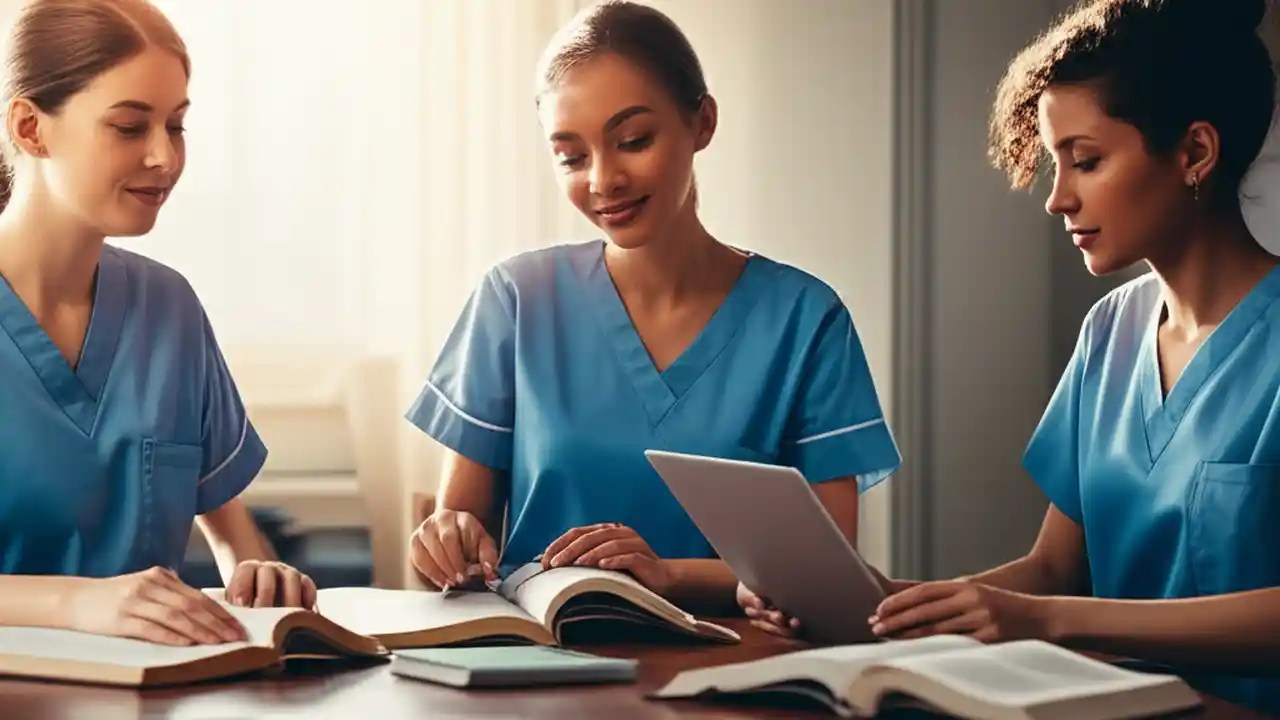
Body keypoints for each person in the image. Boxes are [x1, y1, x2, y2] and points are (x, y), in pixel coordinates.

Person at [750, 0, 1280, 712]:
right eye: (1055, 164)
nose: (1057, 198)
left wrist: (1050, 621)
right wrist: (881, 600)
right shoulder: (1110, 333)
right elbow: (1055, 568)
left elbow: (1052, 605)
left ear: (1194, 153)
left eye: (1086, 161)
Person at [405, 0, 900, 614]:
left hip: (737, 675)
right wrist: (445, 543)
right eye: (571, 156)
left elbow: (830, 574)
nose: (603, 180)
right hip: (542, 673)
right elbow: (460, 538)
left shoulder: (806, 321)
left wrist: (667, 574)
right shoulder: (514, 301)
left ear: (702, 123)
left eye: (633, 140)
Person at [0, 0, 316, 647]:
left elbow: (239, 548)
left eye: (175, 126)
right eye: (128, 127)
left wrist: (258, 574)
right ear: (31, 128)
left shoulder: (169, 308)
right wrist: (77, 605)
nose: (163, 158)